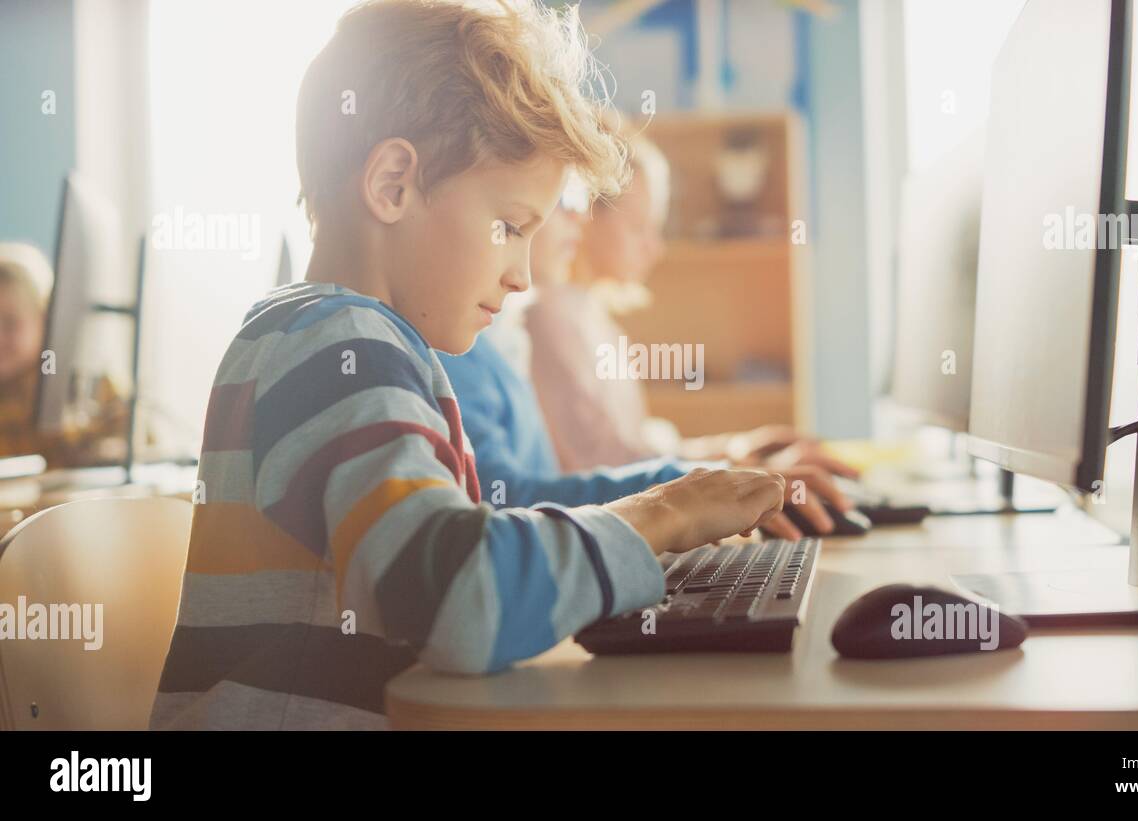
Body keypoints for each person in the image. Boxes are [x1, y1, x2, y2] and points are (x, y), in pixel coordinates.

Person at [150, 0, 787, 731]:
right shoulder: (341, 349)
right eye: (509, 226)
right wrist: (662, 514)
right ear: (393, 184)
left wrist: (681, 498)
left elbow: (466, 540)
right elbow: (456, 597)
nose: (522, 275)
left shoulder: (333, 338)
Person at [440, 172, 850, 537]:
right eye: (639, 227)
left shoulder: (514, 335)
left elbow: (612, 454)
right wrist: (713, 480)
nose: (578, 219)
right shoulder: (518, 328)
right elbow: (525, 495)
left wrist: (726, 465)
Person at [526, 126, 856, 477]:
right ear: (587, 215)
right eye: (639, 228)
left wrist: (734, 451)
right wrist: (746, 471)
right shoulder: (551, 316)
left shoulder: (590, 315)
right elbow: (609, 467)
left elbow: (635, 450)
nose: (656, 248)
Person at [0, 242, 128, 467]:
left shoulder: (94, 385)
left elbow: (143, 449)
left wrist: (109, 451)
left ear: (46, 319)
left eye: (11, 322)